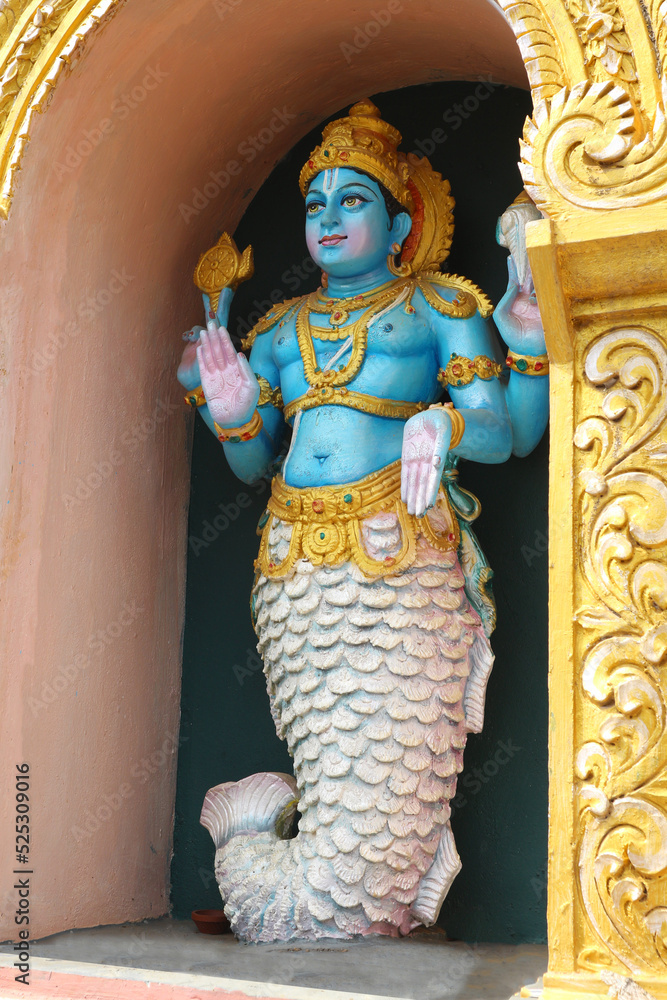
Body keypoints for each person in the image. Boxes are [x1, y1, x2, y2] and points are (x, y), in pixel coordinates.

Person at [177, 99, 548, 942]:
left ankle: (339, 892)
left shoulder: (437, 307)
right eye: (316, 205)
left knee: (391, 762)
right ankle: (268, 863)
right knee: (328, 740)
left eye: (353, 201)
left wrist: (444, 422)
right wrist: (233, 411)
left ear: (399, 222)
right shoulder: (279, 331)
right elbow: (248, 464)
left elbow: (510, 431)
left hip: (400, 559)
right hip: (296, 569)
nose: (329, 219)